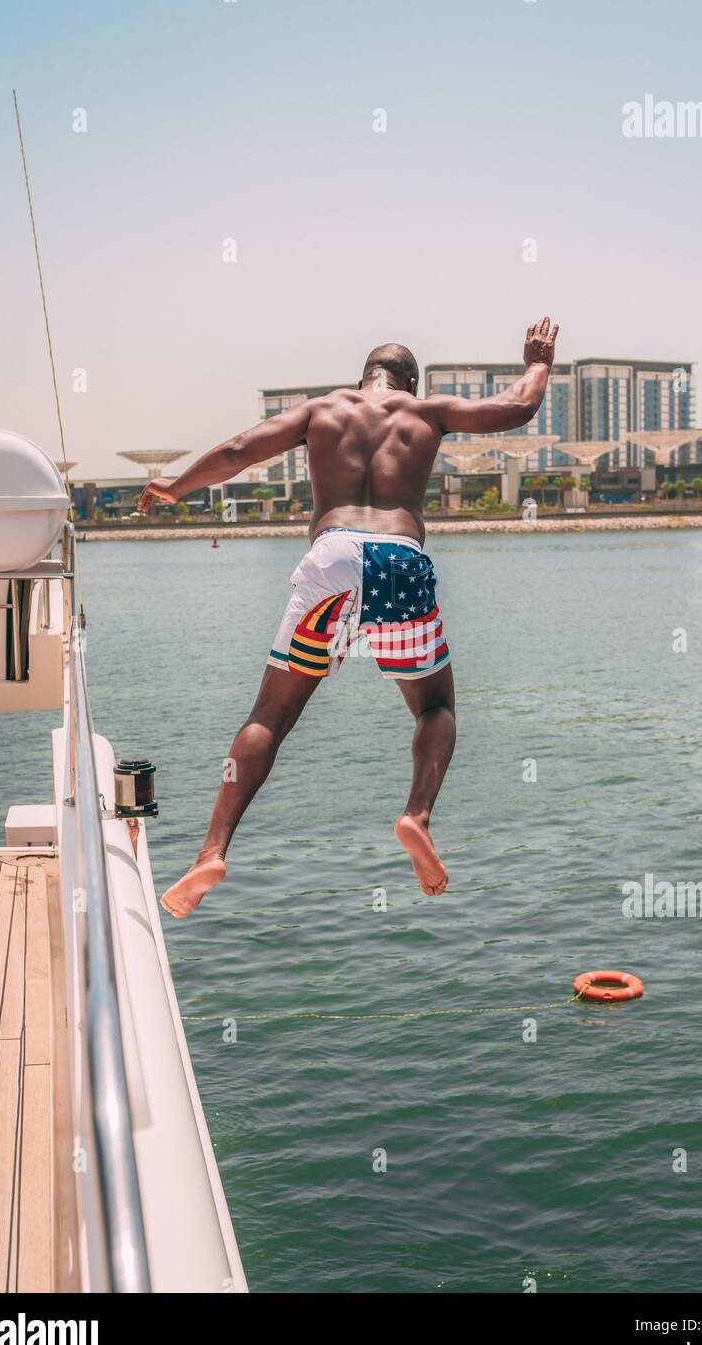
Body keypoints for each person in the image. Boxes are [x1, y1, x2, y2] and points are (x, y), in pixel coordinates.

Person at [139, 316, 559, 915]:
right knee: (435, 706)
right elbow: (517, 408)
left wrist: (176, 487)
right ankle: (416, 816)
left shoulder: (321, 411)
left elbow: (236, 450)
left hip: (331, 556)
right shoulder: (426, 410)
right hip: (400, 558)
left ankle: (211, 852)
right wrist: (538, 360)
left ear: (362, 378)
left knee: (271, 716)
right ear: (409, 382)